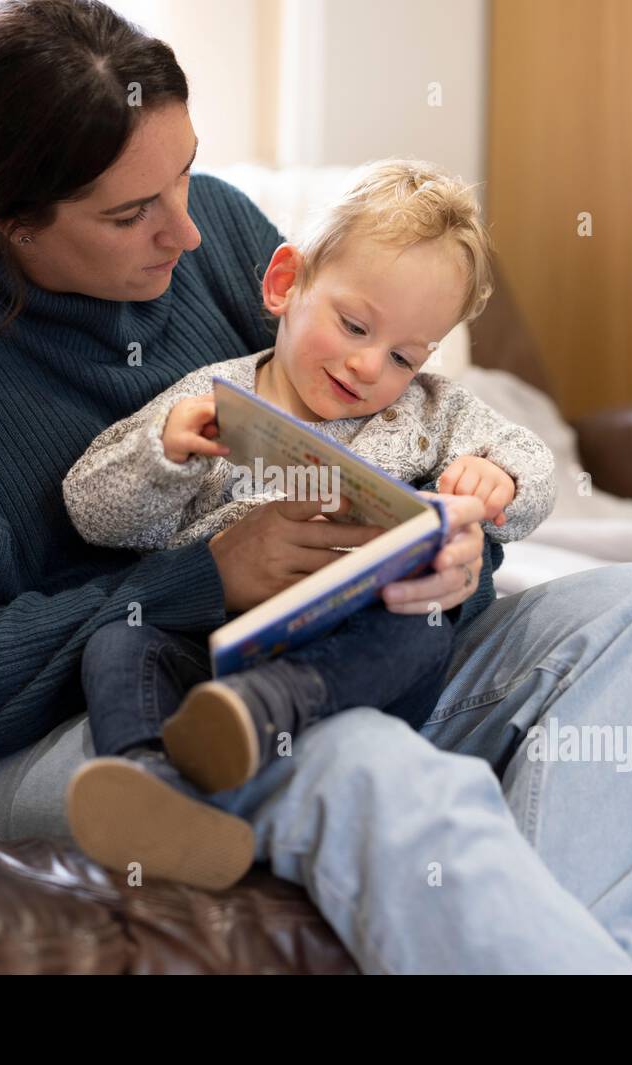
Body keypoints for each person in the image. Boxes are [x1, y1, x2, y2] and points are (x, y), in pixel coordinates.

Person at [0, 0, 632, 974]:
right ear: (11, 220)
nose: (188, 235)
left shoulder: (226, 236)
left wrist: (454, 544)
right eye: (131, 214)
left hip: (313, 656)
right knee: (364, 766)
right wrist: (207, 579)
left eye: (185, 175)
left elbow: (383, 421)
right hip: (88, 730)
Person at [60, 158, 558, 891]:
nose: (365, 365)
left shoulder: (429, 412)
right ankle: (149, 782)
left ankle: (271, 709)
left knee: (418, 621)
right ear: (285, 283)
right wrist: (165, 453)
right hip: (211, 644)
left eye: (401, 354)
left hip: (348, 652)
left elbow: (533, 463)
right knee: (117, 640)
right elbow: (91, 508)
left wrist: (500, 482)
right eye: (353, 324)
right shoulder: (212, 397)